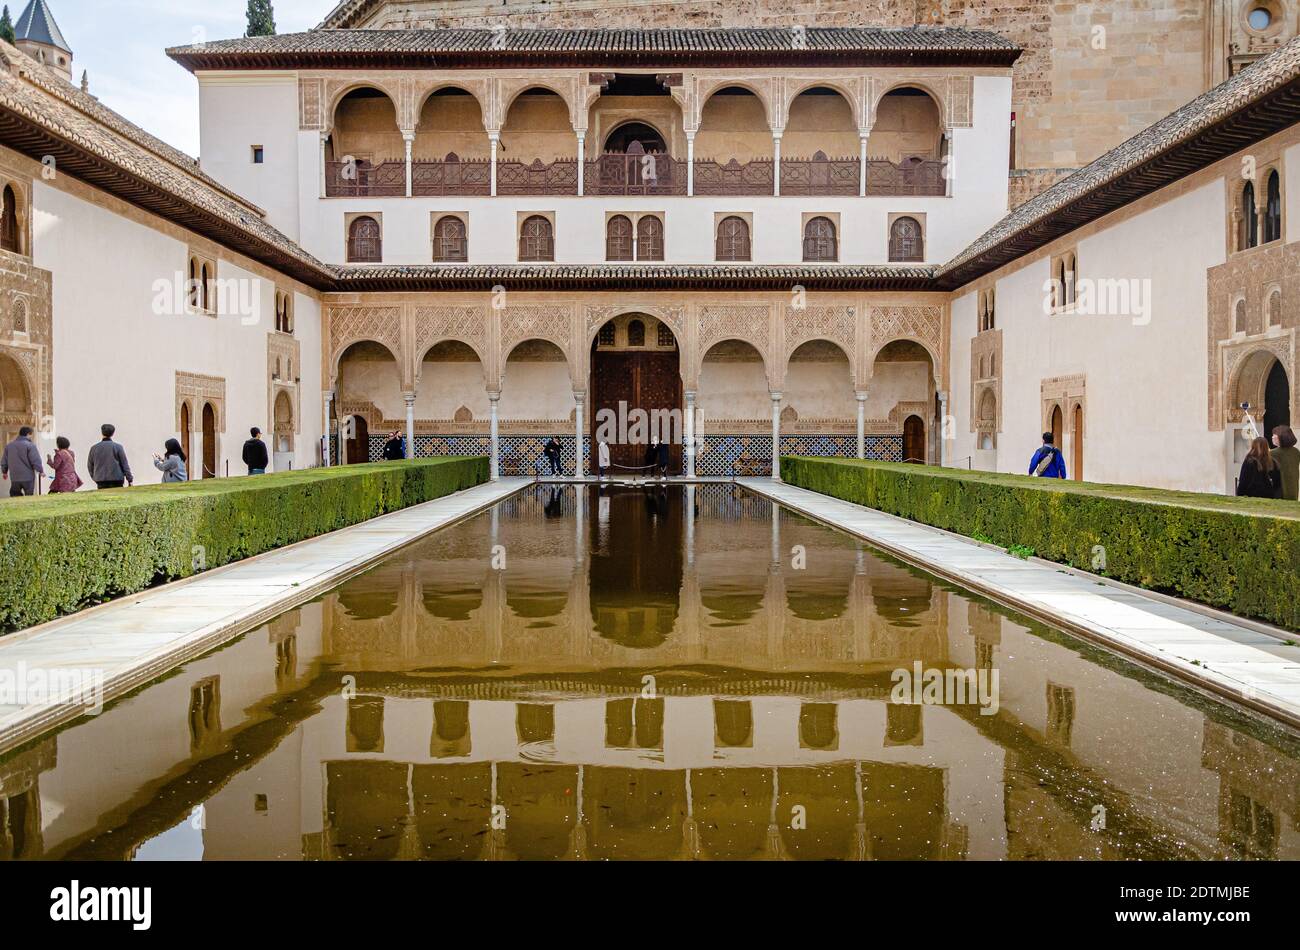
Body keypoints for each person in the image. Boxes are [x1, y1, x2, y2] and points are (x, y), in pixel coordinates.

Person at [1, 426, 45, 497]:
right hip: (28, 477)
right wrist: (40, 471)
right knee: (28, 497)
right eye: (31, 435)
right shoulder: (30, 445)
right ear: (28, 434)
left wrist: (4, 472)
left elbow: (4, 461)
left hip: (14, 477)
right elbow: (35, 460)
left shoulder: (9, 446)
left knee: (15, 496)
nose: (31, 437)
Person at [87, 424, 133, 489]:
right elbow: (124, 464)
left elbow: (90, 466)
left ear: (102, 432)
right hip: (117, 479)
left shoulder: (94, 448)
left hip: (100, 480)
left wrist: (95, 477)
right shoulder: (118, 447)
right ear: (113, 433)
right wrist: (129, 479)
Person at [1270, 425, 1299, 501]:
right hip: (1293, 489)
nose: (1272, 437)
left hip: (1280, 490)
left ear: (1281, 437)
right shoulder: (1296, 451)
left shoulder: (1273, 453)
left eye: (1274, 435)